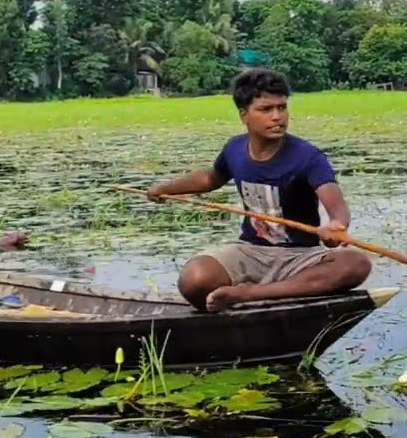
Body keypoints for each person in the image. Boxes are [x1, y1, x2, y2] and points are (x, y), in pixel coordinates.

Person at [145, 68, 372, 312]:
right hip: (251, 252)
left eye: (282, 107)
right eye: (266, 109)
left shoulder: (307, 156)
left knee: (355, 264)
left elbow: (333, 199)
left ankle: (249, 293)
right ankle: (283, 291)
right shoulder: (234, 149)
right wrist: (165, 189)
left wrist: (337, 224)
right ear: (244, 115)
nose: (277, 117)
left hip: (301, 257)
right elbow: (210, 178)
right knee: (195, 278)